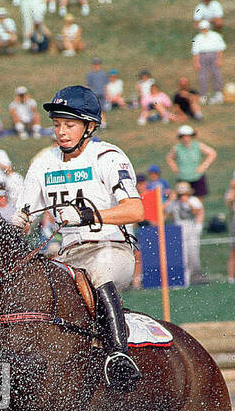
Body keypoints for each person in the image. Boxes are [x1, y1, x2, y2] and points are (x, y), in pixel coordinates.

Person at [15, 84, 144, 391]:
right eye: (57, 124)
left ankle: (118, 355)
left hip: (111, 249)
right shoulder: (43, 162)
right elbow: (25, 215)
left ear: (90, 126)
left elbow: (136, 209)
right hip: (68, 256)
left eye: (70, 125)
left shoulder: (108, 156)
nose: (61, 132)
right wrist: (19, 221)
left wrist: (90, 216)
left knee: (97, 270)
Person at [167, 124, 216, 198]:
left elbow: (212, 153)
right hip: (183, 178)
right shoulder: (177, 148)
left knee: (198, 200)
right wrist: (175, 168)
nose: (186, 138)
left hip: (197, 177)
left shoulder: (198, 145)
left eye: (188, 135)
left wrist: (203, 166)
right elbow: (169, 158)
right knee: (183, 199)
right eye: (183, 136)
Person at [191, 19, 225, 104]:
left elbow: (220, 48)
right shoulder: (197, 38)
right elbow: (195, 51)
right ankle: (203, 95)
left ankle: (218, 94)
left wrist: (219, 59)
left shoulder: (216, 36)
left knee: (216, 74)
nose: (204, 30)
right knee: (202, 76)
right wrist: (196, 62)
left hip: (214, 55)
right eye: (202, 28)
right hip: (202, 56)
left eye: (205, 28)